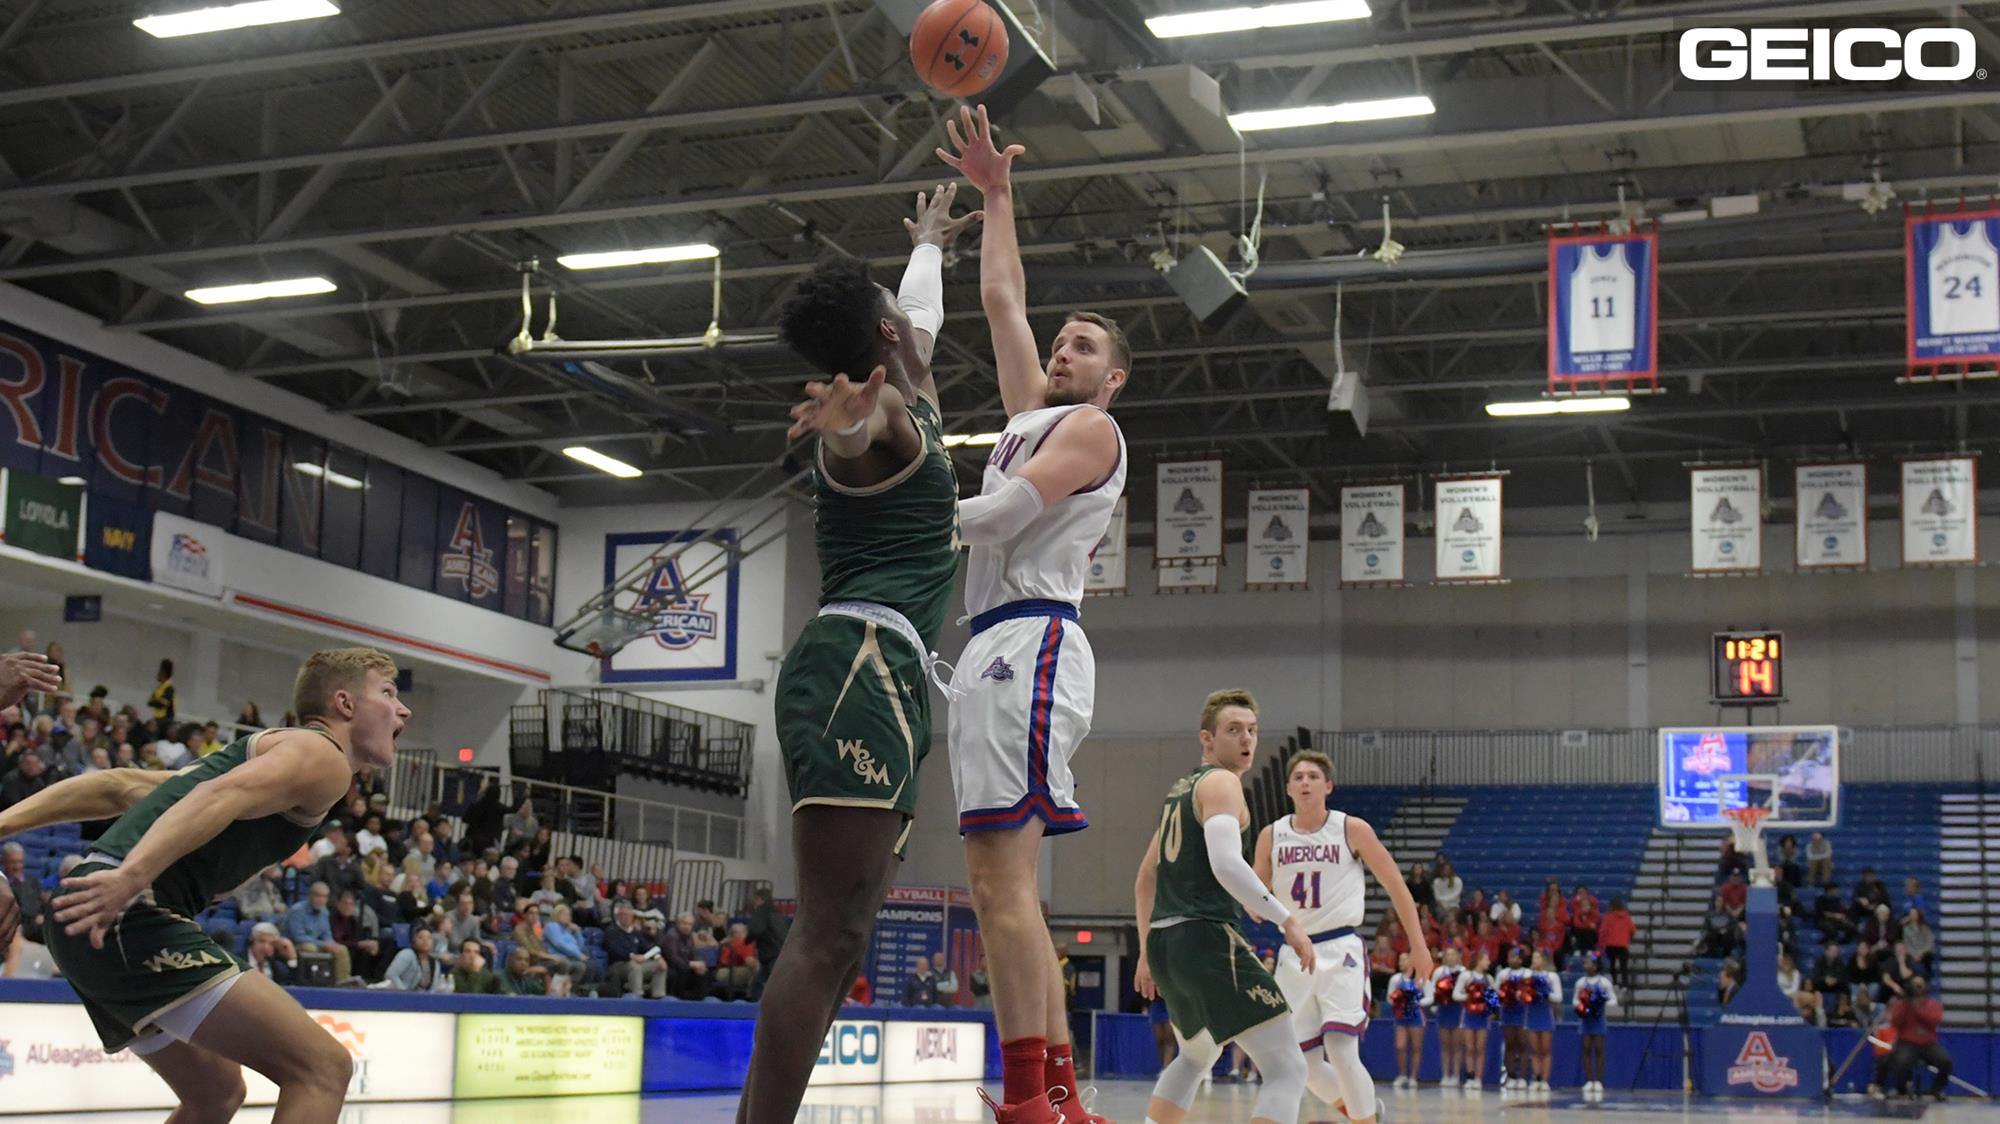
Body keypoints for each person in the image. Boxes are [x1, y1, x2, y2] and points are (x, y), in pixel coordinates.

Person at [735, 189, 972, 1124]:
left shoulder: (914, 392)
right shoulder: (890, 425)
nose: (915, 322)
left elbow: (920, 315)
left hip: (887, 676)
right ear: (883, 333)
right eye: (897, 313)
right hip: (857, 667)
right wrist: (842, 420)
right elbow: (858, 435)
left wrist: (923, 245)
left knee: (848, 933)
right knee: (828, 934)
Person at [934, 104, 1132, 1124]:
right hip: (998, 645)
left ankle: (1026, 1103)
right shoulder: (1030, 417)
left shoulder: (1092, 430)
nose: (1062, 344)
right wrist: (996, 194)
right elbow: (1001, 297)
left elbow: (1009, 507)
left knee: (995, 878)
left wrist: (920, 500)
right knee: (1008, 886)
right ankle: (1054, 1092)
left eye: (1083, 341)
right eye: (1063, 337)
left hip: (1031, 638)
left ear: (1112, 375)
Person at [12, 648, 408, 1124]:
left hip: (89, 909)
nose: (403, 709)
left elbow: (117, 786)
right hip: (124, 910)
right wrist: (130, 878)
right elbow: (218, 794)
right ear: (344, 704)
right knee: (323, 1068)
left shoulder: (265, 756)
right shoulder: (323, 756)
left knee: (216, 1093)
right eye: (388, 693)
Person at [1133, 689, 1313, 1124]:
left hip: (1166, 941)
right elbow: (1228, 864)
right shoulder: (1222, 783)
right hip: (1204, 937)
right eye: (1234, 730)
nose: (1247, 739)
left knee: (1196, 1055)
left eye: (1252, 730)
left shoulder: (1182, 790)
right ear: (1207, 739)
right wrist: (1287, 920)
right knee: (1287, 1067)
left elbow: (1145, 878)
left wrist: (1145, 951)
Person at [1251, 749, 1433, 1117]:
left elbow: (1397, 885)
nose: (1305, 782)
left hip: (1340, 949)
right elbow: (1255, 894)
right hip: (1294, 954)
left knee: (1340, 1046)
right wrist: (1252, 903)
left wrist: (1419, 946)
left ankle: (1365, 1116)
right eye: (1298, 777)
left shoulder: (1351, 828)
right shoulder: (1272, 835)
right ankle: (1367, 1113)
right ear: (1288, 787)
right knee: (1300, 1064)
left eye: (1313, 776)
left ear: (1328, 786)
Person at [1875, 977, 1951, 1100]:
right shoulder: (1902, 1004)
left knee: (1945, 1061)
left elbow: (1933, 1020)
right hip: (1907, 1042)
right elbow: (1896, 1022)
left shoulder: (1933, 1004)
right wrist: (1907, 1005)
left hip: (1928, 1043)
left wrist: (1916, 1009)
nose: (1917, 989)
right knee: (1901, 1061)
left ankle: (1937, 1089)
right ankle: (1901, 1089)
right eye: (1915, 985)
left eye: (1920, 985)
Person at [604, 901, 668, 999]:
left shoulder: (635, 932)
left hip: (636, 964)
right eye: (623, 915)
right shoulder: (611, 931)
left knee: (660, 965)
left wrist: (658, 957)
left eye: (629, 915)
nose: (626, 918)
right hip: (618, 965)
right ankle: (637, 996)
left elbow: (648, 947)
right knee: (634, 967)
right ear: (618, 916)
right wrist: (632, 956)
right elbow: (615, 951)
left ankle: (658, 996)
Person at [1573, 954, 1617, 1094]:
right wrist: (1583, 1005)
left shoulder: (1604, 982)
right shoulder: (1580, 982)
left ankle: (1598, 1081)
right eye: (1585, 963)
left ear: (1595, 966)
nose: (1585, 965)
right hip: (1586, 1019)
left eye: (1588, 963)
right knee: (1586, 1049)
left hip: (1598, 1020)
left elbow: (1613, 1000)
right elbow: (1575, 1000)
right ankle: (1588, 1080)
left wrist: (1599, 1003)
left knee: (1599, 1049)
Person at [1385, 953, 1430, 1089]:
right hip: (1401, 1016)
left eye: (1405, 959)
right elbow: (1389, 997)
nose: (1401, 962)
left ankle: (1413, 1077)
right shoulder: (1395, 979)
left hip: (1416, 1016)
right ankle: (1402, 1074)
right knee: (1400, 1046)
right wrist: (1398, 1002)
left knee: (1416, 1047)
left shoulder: (1421, 978)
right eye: (1400, 959)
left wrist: (1415, 1002)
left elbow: (1430, 997)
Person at [1522, 948, 1563, 1091]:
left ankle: (1545, 1080)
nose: (1534, 961)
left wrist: (1546, 994)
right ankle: (1536, 1077)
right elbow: (1522, 994)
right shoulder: (1527, 975)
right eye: (1533, 958)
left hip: (1545, 1014)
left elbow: (1559, 997)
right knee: (1534, 1049)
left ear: (1544, 960)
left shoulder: (1552, 976)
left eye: (1537, 958)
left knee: (1545, 1049)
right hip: (1532, 1014)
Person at [1454, 951, 1495, 1091]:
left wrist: (1489, 1009)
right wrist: (1470, 997)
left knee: (1480, 1048)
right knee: (1470, 1047)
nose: (1489, 962)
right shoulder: (1466, 975)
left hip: (1482, 1017)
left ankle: (1478, 1079)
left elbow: (1493, 999)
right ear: (1478, 960)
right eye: (1486, 959)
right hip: (1468, 1015)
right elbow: (1456, 994)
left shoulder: (1489, 978)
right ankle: (1470, 1076)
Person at [1430, 947, 1467, 1089]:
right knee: (1445, 1045)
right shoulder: (1439, 972)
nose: (1450, 957)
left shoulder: (1463, 972)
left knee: (1457, 1045)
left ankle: (1456, 1075)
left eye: (1453, 954)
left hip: (1458, 1010)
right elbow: (1432, 990)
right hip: (1444, 1010)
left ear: (1458, 956)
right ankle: (1446, 1074)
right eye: (1448, 954)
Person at [382, 927, 450, 993]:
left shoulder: (435, 963)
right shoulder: (407, 954)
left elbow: (433, 988)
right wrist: (403, 993)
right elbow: (391, 974)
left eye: (429, 938)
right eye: (421, 937)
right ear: (414, 941)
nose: (425, 940)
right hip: (402, 996)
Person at [1599, 896, 1635, 989]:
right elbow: (1633, 929)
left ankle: (1614, 983)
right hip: (1623, 945)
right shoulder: (1626, 917)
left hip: (1610, 944)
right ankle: (1624, 984)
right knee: (1624, 966)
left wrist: (1601, 944)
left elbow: (1603, 931)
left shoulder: (1608, 917)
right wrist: (1628, 939)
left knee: (1612, 964)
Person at [146, 659, 176, 727]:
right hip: (157, 718)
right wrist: (158, 701)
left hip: (165, 720)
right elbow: (149, 702)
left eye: (160, 671)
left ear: (164, 673)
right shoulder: (159, 688)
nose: (158, 673)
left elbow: (164, 703)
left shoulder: (169, 688)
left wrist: (156, 701)